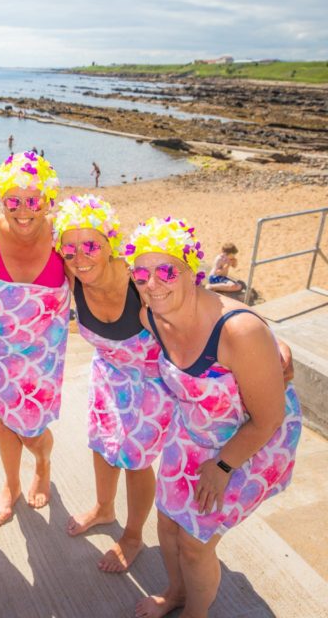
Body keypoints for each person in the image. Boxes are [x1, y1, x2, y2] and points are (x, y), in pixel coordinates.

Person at [125, 217, 301, 618]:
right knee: (168, 522)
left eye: (166, 270)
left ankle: (195, 614)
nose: (153, 283)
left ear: (192, 273)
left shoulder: (237, 331)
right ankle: (175, 593)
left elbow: (268, 417)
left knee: (195, 541)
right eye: (141, 273)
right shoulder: (148, 317)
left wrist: (222, 466)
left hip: (253, 438)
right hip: (194, 428)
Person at [52, 195, 173, 573]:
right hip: (107, 372)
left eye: (90, 245)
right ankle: (104, 508)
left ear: (110, 244)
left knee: (137, 462)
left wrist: (268, 338)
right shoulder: (72, 277)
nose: (79, 256)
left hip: (153, 383)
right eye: (69, 248)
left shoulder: (141, 281)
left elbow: (204, 303)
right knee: (103, 446)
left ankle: (134, 534)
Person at [0, 151, 70, 525]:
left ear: (49, 202)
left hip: (44, 363)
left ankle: (42, 462)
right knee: (5, 420)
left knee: (35, 432)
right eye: (14, 201)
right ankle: (11, 484)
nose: (24, 210)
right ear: (1, 201)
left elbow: (107, 271)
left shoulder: (64, 238)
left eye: (34, 201)